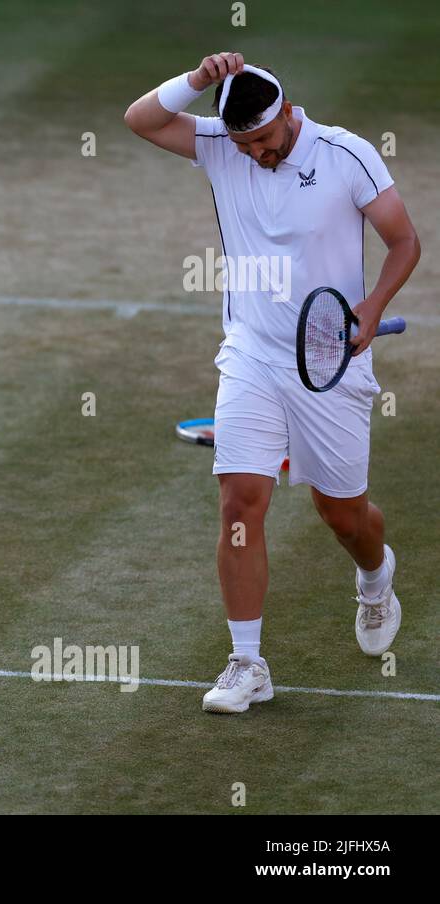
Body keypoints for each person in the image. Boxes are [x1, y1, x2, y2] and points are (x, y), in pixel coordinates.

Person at [124, 52, 420, 713]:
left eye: (262, 140)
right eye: (241, 142)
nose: (253, 152)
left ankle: (375, 577)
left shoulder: (348, 156)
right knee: (240, 504)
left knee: (342, 515)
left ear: (288, 114)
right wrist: (197, 81)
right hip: (250, 355)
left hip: (330, 365)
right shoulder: (220, 146)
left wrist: (369, 309)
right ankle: (247, 662)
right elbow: (141, 119)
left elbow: (403, 241)